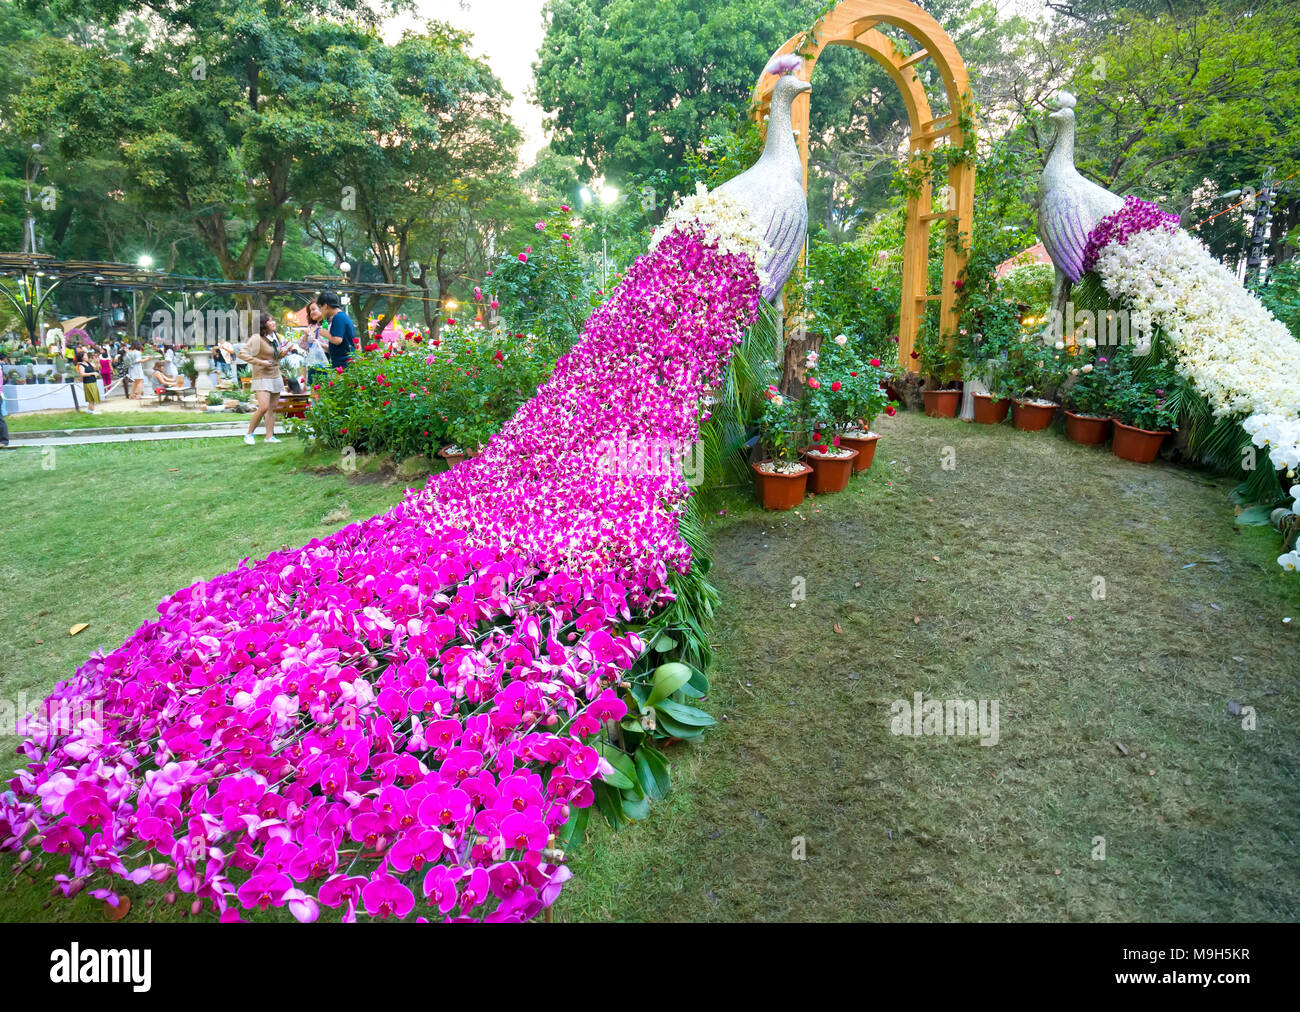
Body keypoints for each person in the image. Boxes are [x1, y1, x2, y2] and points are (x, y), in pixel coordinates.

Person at [239, 310, 292, 445]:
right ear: (263, 324)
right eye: (270, 320)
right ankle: (249, 434)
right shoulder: (257, 338)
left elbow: (276, 355)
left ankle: (269, 436)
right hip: (262, 375)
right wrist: (260, 362)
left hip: (275, 375)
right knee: (263, 407)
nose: (273, 322)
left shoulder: (276, 337)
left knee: (272, 408)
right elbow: (242, 354)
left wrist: (283, 353)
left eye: (273, 320)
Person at [316, 290, 356, 371]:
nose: (321, 311)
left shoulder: (338, 317)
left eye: (320, 308)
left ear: (326, 306)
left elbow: (337, 340)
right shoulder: (341, 316)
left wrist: (325, 334)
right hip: (344, 363)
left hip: (343, 365)